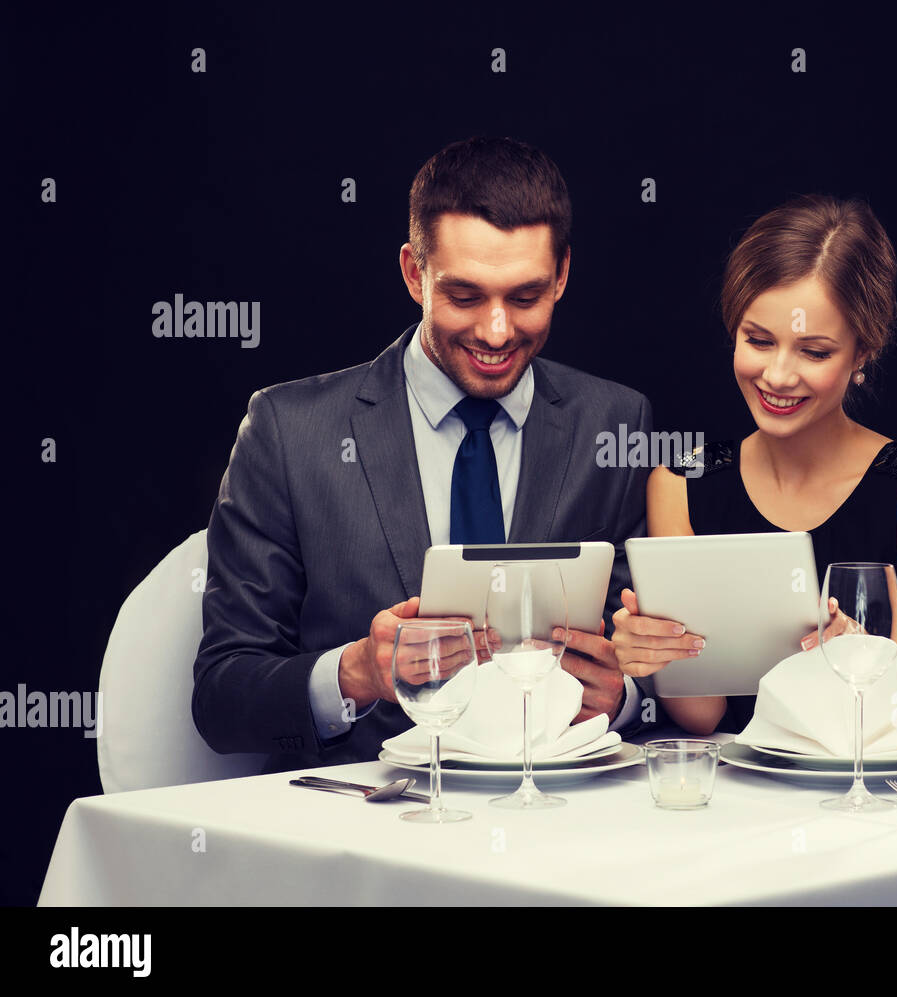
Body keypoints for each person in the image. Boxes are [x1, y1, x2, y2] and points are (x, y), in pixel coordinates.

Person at [194, 137, 655, 770]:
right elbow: (221, 698)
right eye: (464, 297)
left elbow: (647, 652)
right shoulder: (288, 431)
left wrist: (621, 696)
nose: (497, 332)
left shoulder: (617, 422)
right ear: (415, 273)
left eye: (526, 297)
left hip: (557, 815)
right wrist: (353, 672)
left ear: (563, 275)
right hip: (369, 825)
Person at [610, 194, 897, 767]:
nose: (777, 375)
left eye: (815, 351)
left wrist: (869, 665)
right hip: (757, 791)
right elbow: (701, 716)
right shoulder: (681, 483)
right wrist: (657, 650)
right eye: (758, 340)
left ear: (862, 352)